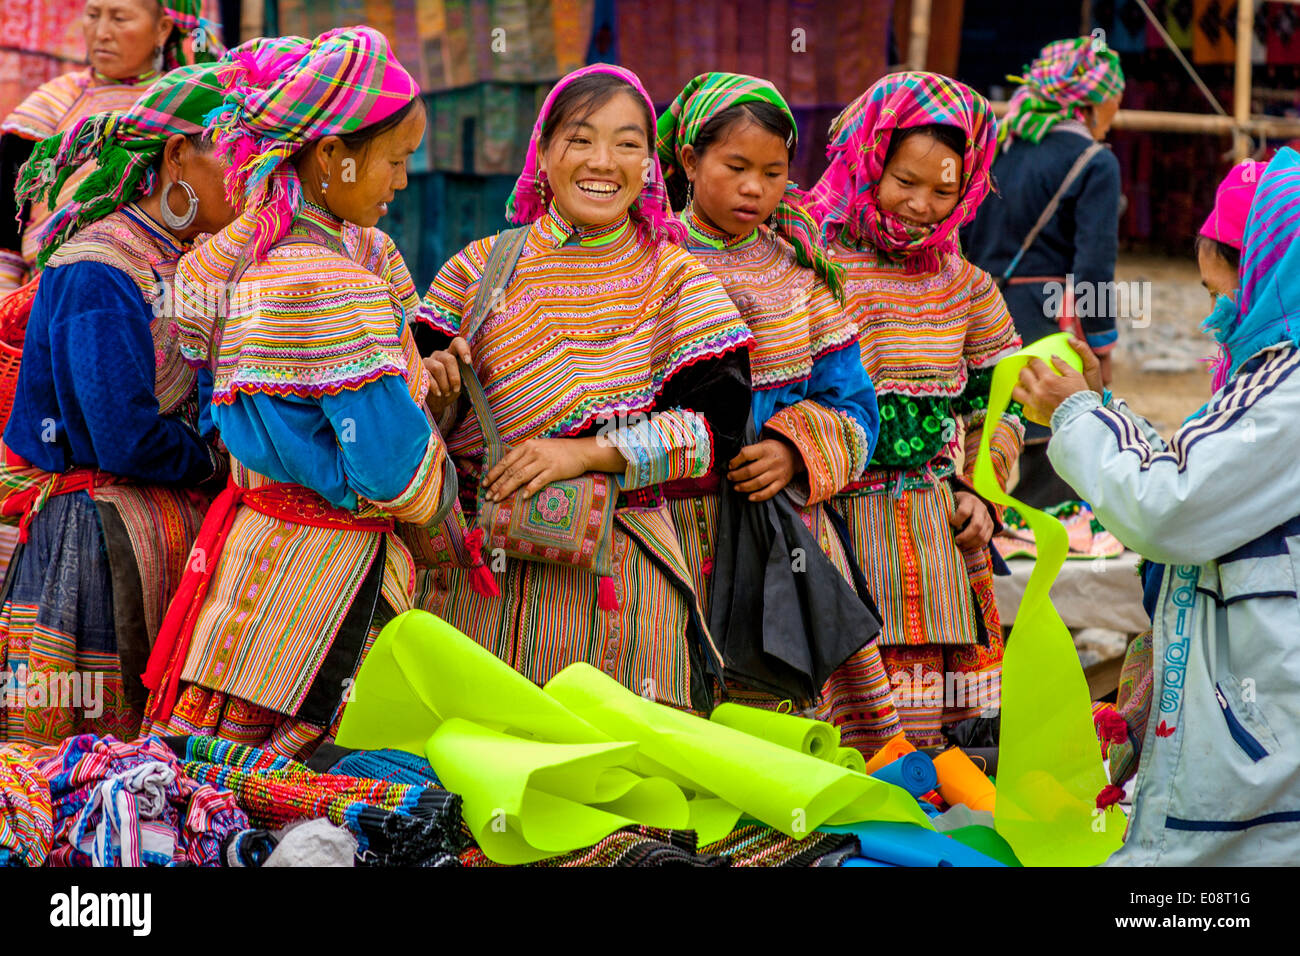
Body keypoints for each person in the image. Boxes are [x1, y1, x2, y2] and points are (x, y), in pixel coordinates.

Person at [141, 28, 454, 759]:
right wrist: (436, 478)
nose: (402, 182)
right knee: (321, 797)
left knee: (222, 781)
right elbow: (393, 475)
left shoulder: (234, 257)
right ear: (330, 156)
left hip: (248, 563)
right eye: (396, 162)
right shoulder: (336, 284)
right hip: (330, 583)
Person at [413, 65, 753, 711]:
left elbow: (717, 431)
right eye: (580, 139)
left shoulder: (678, 281)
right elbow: (422, 412)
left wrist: (587, 453)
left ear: (651, 163)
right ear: (542, 152)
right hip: (486, 569)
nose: (604, 162)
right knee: (485, 766)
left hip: (618, 568)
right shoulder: (478, 269)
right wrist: (438, 389)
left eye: (627, 143)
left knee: (615, 776)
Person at [1012, 147, 1300, 866]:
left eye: (1217, 293)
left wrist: (1078, 415)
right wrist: (1105, 414)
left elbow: (1172, 509)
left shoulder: (1291, 384)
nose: (1216, 316)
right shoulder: (1272, 372)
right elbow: (1204, 473)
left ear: (1267, 268)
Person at [655, 71, 900, 751]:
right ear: (688, 160)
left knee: (783, 720)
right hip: (668, 524)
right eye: (735, 167)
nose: (754, 188)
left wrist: (794, 449)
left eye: (772, 171)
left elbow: (853, 405)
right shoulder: (647, 259)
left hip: (780, 527)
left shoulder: (800, 278)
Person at [0, 62, 234, 746]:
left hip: (147, 532)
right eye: (236, 158)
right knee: (82, 764)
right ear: (176, 157)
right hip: (91, 548)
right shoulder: (99, 267)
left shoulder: (185, 259)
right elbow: (120, 434)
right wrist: (221, 465)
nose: (250, 181)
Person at [806, 72, 1024, 749]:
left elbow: (1003, 403)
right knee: (830, 724)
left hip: (932, 540)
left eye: (944, 190)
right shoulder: (811, 264)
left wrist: (983, 493)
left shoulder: (968, 288)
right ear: (868, 160)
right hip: (827, 527)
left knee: (922, 743)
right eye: (904, 180)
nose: (922, 205)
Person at [962, 35, 1124, 507]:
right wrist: (1100, 342)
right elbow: (1093, 266)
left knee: (981, 444)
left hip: (978, 314)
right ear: (1093, 102)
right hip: (1045, 323)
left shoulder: (996, 150)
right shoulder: (1096, 161)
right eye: (1116, 99)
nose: (1117, 109)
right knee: (1053, 458)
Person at [0, 0, 223, 290]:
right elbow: (8, 219)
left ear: (162, 29)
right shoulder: (48, 106)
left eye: (119, 18)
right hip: (50, 287)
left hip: (168, 287)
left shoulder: (189, 105)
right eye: (92, 15)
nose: (101, 32)